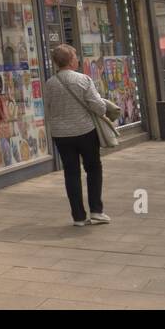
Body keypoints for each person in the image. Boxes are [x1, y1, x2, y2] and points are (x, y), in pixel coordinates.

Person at [44, 44, 118, 227]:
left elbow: (48, 109)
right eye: (75, 56)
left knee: (71, 173)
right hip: (85, 131)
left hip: (61, 135)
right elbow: (99, 108)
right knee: (93, 169)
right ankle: (96, 211)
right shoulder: (83, 79)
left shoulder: (50, 83)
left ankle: (78, 216)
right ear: (70, 60)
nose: (77, 59)